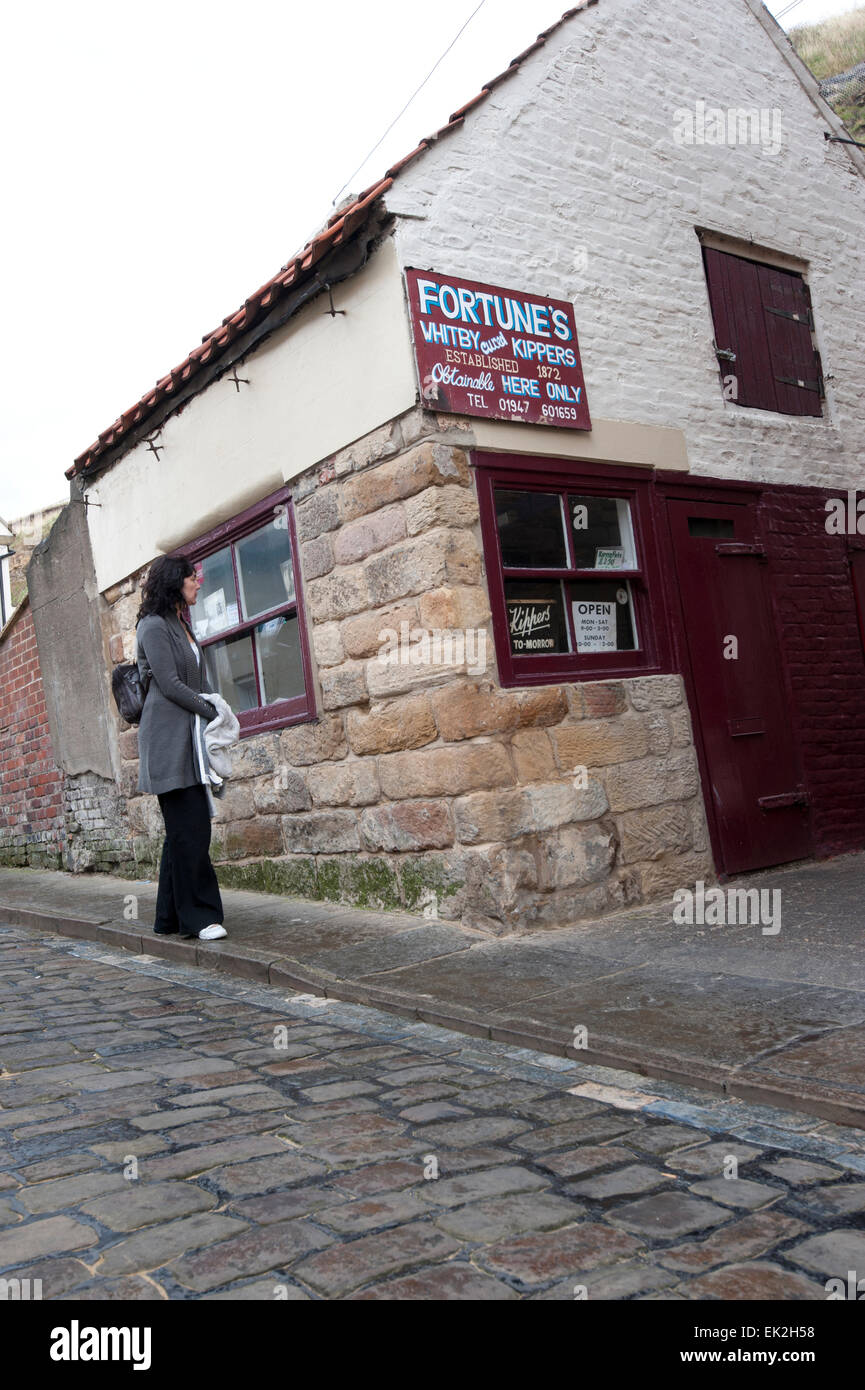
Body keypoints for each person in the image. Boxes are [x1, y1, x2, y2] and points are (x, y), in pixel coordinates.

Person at [134, 556, 228, 941]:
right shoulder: (152, 626)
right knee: (191, 831)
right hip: (167, 742)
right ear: (175, 581)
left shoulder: (180, 625)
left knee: (180, 834)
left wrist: (210, 710)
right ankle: (200, 918)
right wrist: (211, 709)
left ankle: (168, 918)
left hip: (188, 739)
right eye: (192, 576)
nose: (198, 582)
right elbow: (170, 685)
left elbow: (196, 679)